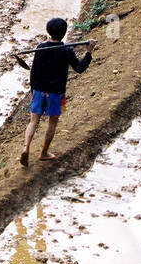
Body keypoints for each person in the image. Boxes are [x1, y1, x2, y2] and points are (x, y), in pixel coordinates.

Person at [15, 17, 95, 166]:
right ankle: (44, 153)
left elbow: (34, 72)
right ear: (64, 33)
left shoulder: (41, 47)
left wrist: (33, 90)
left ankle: (26, 147)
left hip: (39, 90)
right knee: (52, 122)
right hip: (55, 94)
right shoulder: (67, 51)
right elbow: (79, 68)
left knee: (34, 121)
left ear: (48, 31)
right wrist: (89, 52)